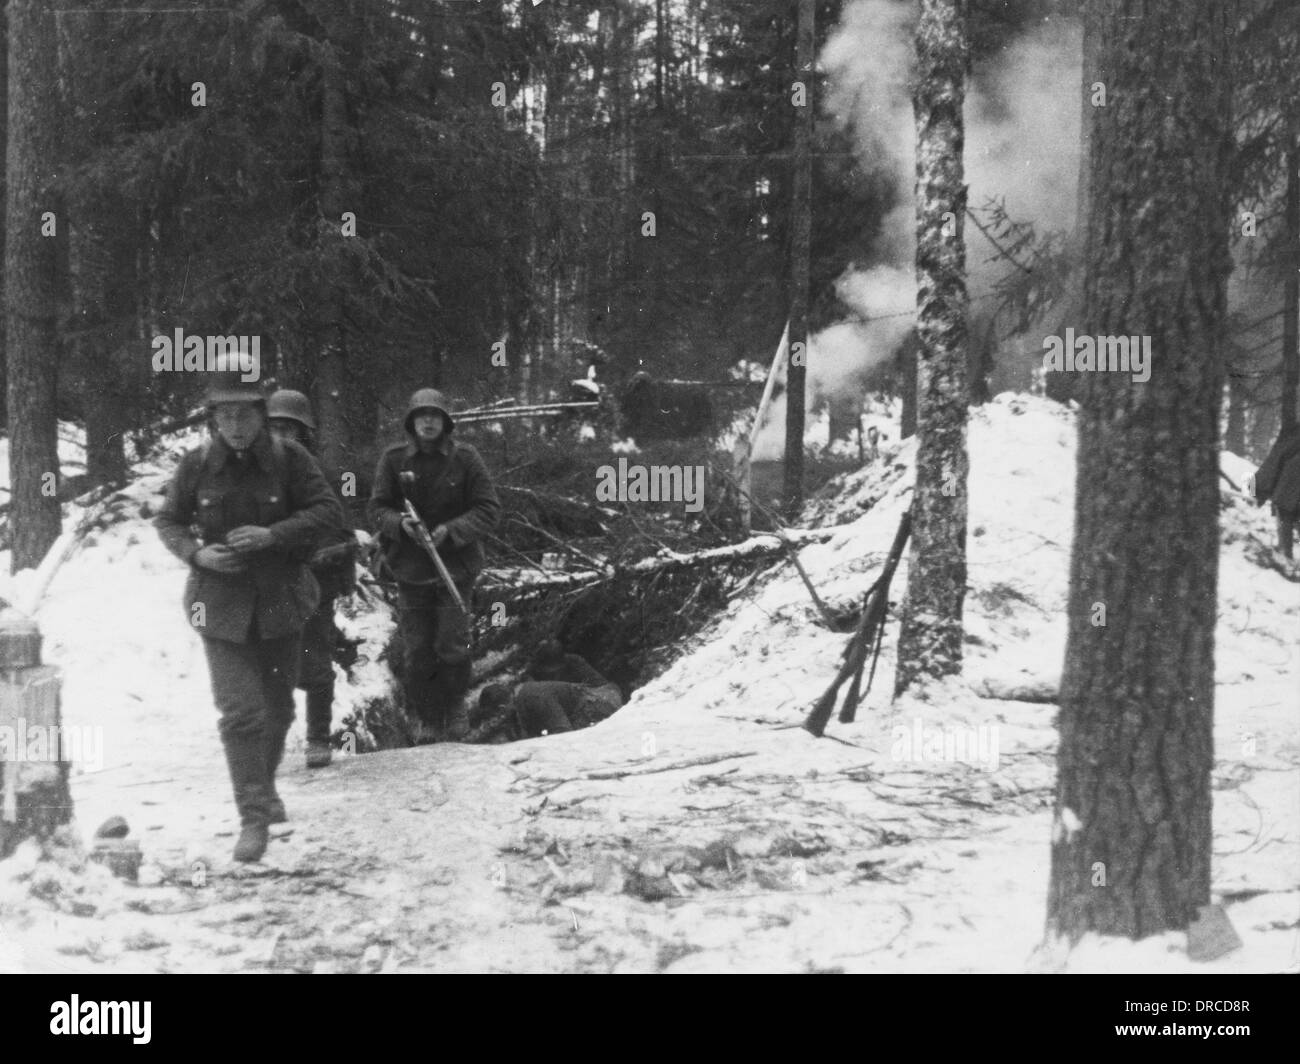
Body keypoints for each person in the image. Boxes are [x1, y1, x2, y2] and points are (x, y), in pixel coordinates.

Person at [155, 370, 344, 863]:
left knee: (278, 710)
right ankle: (253, 817)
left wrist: (274, 535)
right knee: (242, 713)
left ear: (262, 414)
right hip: (218, 606)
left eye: (245, 412)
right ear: (213, 417)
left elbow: (328, 511)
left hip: (282, 600)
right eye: (225, 414)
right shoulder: (196, 464)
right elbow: (169, 520)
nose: (235, 424)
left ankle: (264, 786)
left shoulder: (290, 459)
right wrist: (198, 555)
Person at [369, 389, 500, 742]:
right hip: (411, 569)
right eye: (421, 415)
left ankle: (454, 706)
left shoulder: (466, 459)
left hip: (456, 567)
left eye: (435, 415)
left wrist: (453, 530)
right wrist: (400, 524)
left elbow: (488, 509)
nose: (428, 421)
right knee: (418, 646)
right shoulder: (394, 460)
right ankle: (426, 715)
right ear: (411, 422)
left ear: (446, 422)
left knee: (452, 643)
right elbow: (378, 509)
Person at [266, 388, 357, 768]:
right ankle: (269, 741)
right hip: (270, 588)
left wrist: (338, 572)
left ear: (305, 433)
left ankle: (318, 738)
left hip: (315, 587)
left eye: (292, 429)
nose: (284, 436)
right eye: (276, 428)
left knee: (316, 664)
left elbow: (343, 533)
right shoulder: (257, 478)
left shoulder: (326, 477)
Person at [473, 641, 624, 740]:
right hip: (580, 700)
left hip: (603, 698)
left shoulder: (534, 696)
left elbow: (563, 733)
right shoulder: (526, 692)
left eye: (498, 714)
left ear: (502, 707)